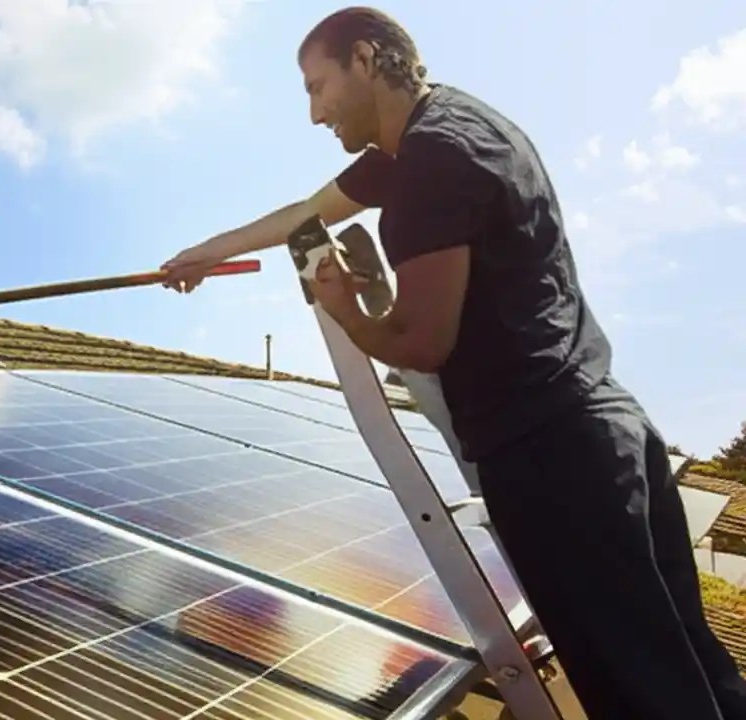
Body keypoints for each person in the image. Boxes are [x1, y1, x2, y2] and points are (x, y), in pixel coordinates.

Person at [160, 7, 746, 719]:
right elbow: (309, 211)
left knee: (637, 695)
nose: (315, 114)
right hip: (613, 435)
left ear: (367, 60)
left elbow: (419, 341)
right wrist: (203, 255)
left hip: (550, 459)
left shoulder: (432, 165)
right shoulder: (456, 128)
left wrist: (345, 308)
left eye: (319, 88)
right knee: (689, 669)